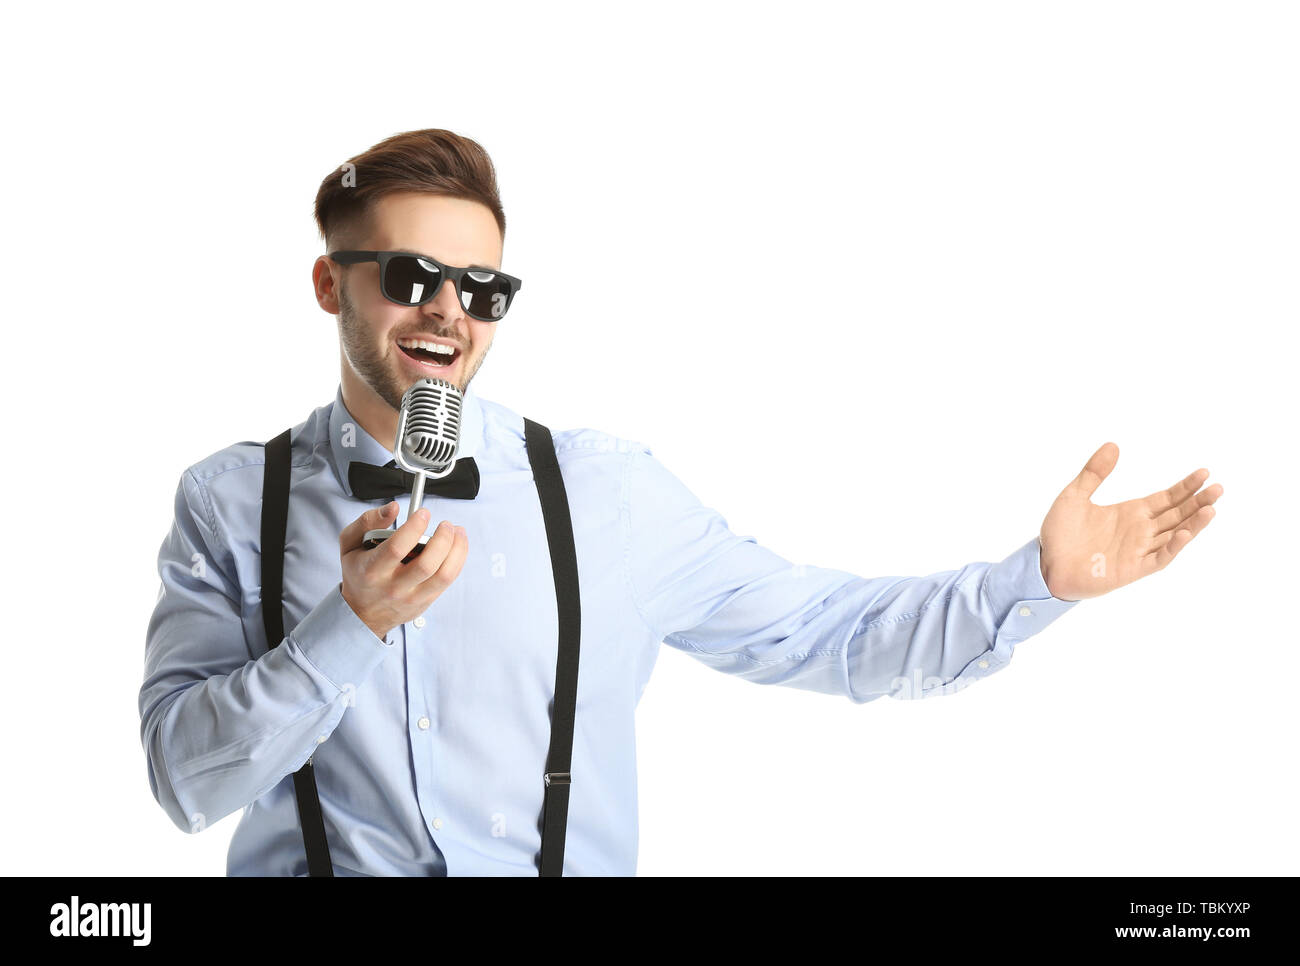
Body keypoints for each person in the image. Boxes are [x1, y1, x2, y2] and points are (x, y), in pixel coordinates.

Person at [139, 128, 1223, 876]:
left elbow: (828, 635)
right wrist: (350, 627)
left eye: (483, 289)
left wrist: (1034, 583)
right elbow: (184, 782)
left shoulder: (601, 494)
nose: (449, 313)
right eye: (411, 277)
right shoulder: (233, 502)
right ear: (332, 283)